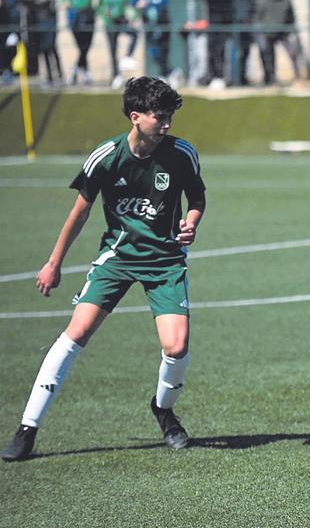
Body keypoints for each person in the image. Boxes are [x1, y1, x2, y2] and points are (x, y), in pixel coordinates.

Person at [1, 77, 206, 462]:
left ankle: (163, 411)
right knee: (76, 333)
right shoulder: (107, 157)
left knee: (176, 347)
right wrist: (54, 263)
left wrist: (191, 222)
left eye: (170, 117)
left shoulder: (182, 154)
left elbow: (197, 198)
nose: (167, 124)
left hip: (165, 261)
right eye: (159, 117)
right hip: (118, 258)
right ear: (135, 117)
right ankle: (27, 428)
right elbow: (79, 213)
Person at [254, 0, 306, 85]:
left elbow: (291, 16)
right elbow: (257, 17)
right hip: (267, 33)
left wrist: (290, 30)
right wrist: (262, 30)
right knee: (268, 57)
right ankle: (271, 80)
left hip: (283, 32)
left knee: (293, 53)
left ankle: (298, 78)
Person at [18, 0, 61, 84]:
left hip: (48, 17)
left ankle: (59, 74)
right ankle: (48, 75)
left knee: (51, 47)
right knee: (42, 48)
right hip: (37, 18)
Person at [98, 0, 137, 88]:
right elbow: (99, 8)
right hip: (110, 24)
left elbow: (133, 5)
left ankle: (128, 55)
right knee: (113, 50)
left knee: (134, 34)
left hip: (121, 20)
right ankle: (116, 75)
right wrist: (104, 14)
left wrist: (133, 18)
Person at [133, 0, 172, 80]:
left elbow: (162, 5)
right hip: (150, 29)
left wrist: (148, 4)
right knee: (154, 53)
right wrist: (138, 5)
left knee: (163, 53)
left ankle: (165, 74)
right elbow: (133, 3)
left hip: (162, 28)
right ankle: (169, 71)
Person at [62, 0, 95, 85]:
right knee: (82, 48)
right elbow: (64, 2)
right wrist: (70, 6)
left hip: (86, 23)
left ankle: (76, 70)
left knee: (85, 48)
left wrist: (74, 6)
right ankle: (83, 72)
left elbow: (86, 2)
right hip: (75, 24)